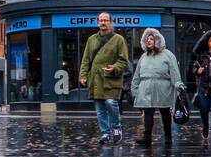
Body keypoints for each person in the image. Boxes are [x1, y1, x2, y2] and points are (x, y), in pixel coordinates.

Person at [79, 12, 130, 144]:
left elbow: (123, 60)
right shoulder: (92, 39)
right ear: (97, 23)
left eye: (105, 20)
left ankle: (116, 128)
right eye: (100, 20)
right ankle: (105, 133)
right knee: (100, 109)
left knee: (110, 102)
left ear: (111, 22)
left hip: (111, 79)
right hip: (95, 79)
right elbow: (85, 60)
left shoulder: (118, 39)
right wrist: (83, 75)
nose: (103, 22)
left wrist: (114, 68)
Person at [131, 28, 185, 148]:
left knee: (165, 112)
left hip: (163, 88)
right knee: (148, 113)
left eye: (152, 39)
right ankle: (147, 137)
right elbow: (137, 75)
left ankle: (168, 137)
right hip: (146, 87)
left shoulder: (168, 55)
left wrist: (179, 84)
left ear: (158, 40)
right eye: (147, 39)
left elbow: (174, 73)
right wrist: (134, 89)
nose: (149, 41)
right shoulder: (143, 57)